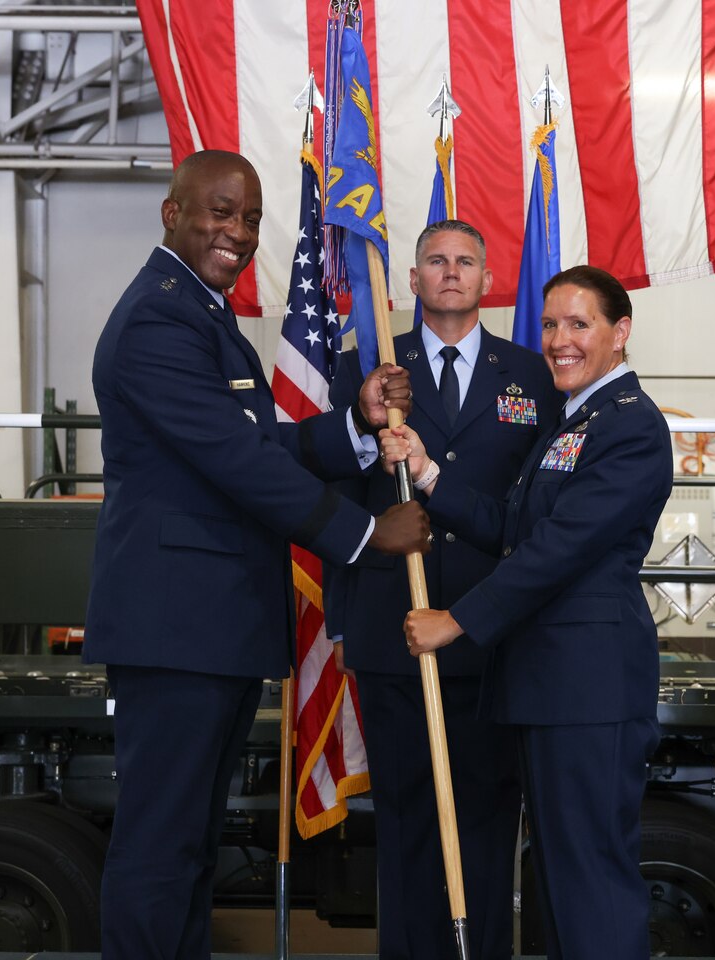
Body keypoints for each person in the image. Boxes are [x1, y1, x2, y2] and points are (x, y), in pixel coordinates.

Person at [83, 149, 431, 960]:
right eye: (220, 212)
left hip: (208, 630)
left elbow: (260, 440)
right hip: (176, 631)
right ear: (172, 213)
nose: (237, 233)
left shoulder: (202, 314)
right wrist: (365, 535)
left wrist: (355, 423)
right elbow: (235, 461)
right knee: (160, 846)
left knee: (189, 847)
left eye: (249, 219)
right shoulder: (158, 320)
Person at [384, 265, 673, 960]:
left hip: (590, 690)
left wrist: (456, 621)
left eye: (579, 324)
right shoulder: (574, 419)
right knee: (563, 885)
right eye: (549, 324)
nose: (559, 340)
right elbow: (515, 529)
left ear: (620, 332)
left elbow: (560, 548)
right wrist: (428, 474)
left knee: (591, 882)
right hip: (549, 686)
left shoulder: (631, 425)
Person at [325, 219, 563, 960]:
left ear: (487, 278)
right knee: (405, 822)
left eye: (465, 261)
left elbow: (540, 506)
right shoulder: (370, 367)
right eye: (436, 260)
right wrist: (341, 621)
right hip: (394, 628)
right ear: (413, 280)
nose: (451, 271)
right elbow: (334, 497)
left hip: (494, 632)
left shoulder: (531, 374)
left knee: (489, 819)